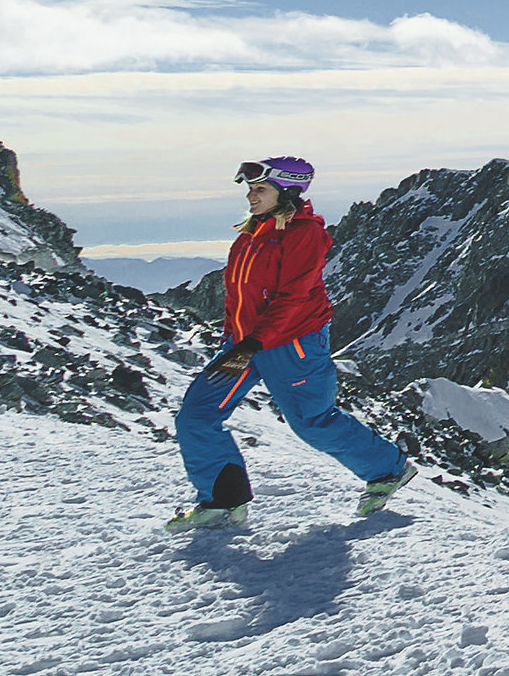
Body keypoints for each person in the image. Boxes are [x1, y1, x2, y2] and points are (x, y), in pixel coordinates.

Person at [165, 156, 415, 532]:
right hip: (242, 348)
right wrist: (236, 338)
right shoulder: (252, 232)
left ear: (287, 191)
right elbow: (240, 294)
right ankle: (222, 502)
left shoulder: (304, 234)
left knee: (312, 422)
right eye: (250, 189)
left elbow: (294, 296)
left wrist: (253, 341)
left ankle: (388, 469)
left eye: (260, 189)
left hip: (291, 345)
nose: (251, 196)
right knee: (196, 416)